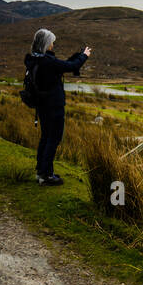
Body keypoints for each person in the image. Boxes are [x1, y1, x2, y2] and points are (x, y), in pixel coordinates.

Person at [24, 28, 91, 186]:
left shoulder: (35, 59)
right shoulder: (47, 61)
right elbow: (70, 66)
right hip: (53, 106)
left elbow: (64, 65)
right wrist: (84, 55)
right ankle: (46, 176)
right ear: (46, 44)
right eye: (51, 42)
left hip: (42, 105)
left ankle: (42, 171)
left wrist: (76, 58)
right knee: (53, 139)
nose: (53, 44)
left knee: (46, 137)